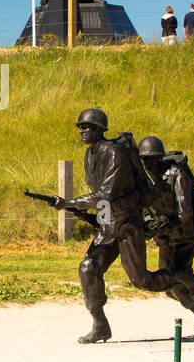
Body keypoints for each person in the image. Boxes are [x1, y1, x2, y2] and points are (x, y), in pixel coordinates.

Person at [51, 108, 176, 344]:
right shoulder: (91, 154)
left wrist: (69, 202)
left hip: (127, 223)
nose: (82, 131)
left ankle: (178, 277)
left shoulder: (114, 154)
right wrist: (76, 208)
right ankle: (100, 326)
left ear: (100, 130)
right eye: (80, 127)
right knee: (88, 269)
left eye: (86, 127)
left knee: (141, 280)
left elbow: (103, 195)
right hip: (108, 223)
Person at [134, 136, 194, 336]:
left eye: (153, 159)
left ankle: (193, 287)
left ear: (161, 158)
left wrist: (162, 226)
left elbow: (185, 212)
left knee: (174, 277)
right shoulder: (145, 179)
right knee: (168, 287)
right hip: (165, 238)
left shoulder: (177, 174)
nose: (148, 163)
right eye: (145, 159)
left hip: (185, 235)